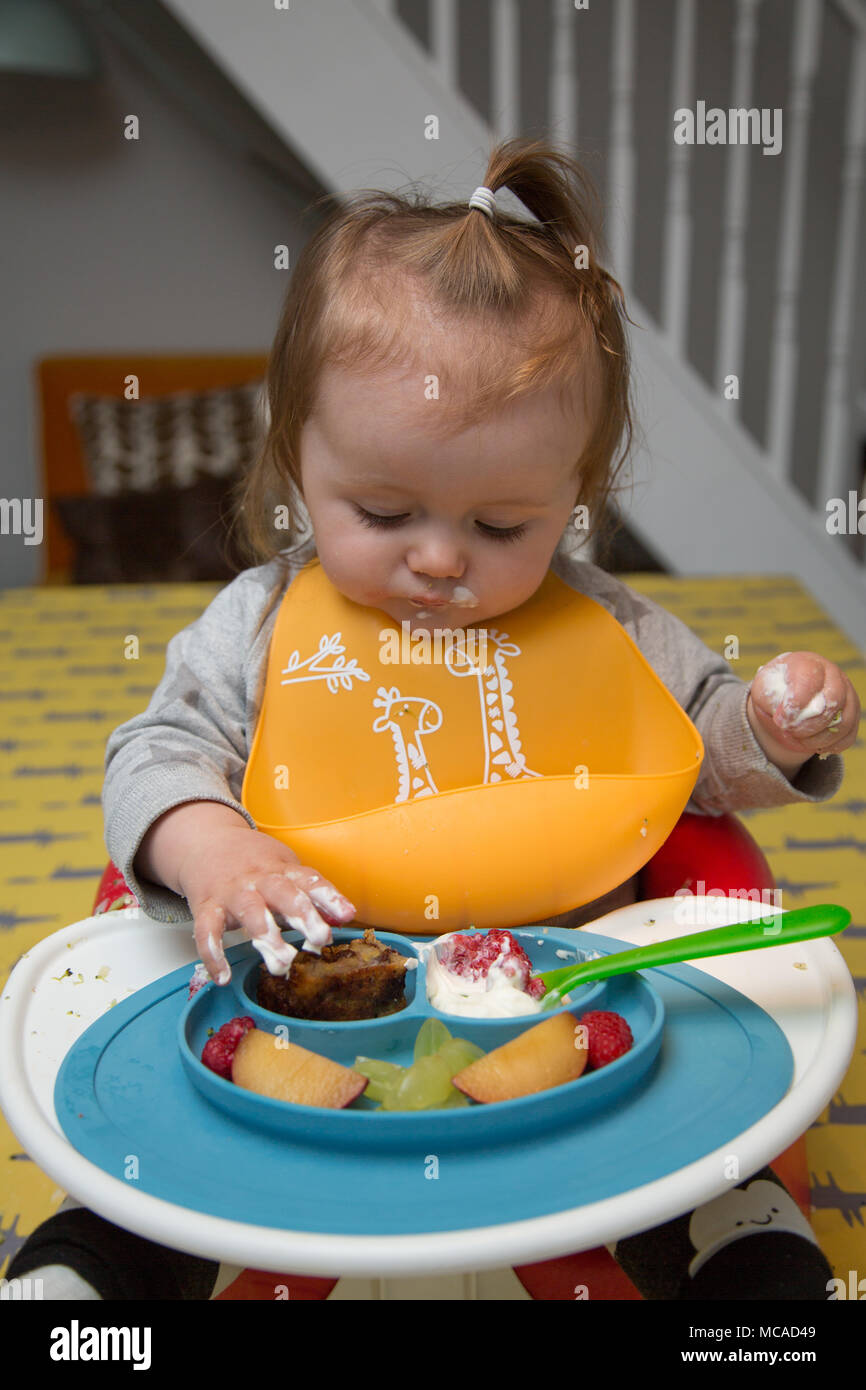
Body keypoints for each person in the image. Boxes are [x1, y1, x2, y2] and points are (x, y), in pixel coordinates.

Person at [9, 137, 859, 1301]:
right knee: (182, 1121)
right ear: (297, 461)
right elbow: (155, 751)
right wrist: (211, 844)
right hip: (307, 998)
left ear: (574, 493)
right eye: (383, 508)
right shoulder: (260, 622)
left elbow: (697, 759)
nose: (439, 560)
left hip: (569, 1007)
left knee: (691, 1113)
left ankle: (740, 1248)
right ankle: (106, 1262)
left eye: (503, 527)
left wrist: (773, 726)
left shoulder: (604, 622)